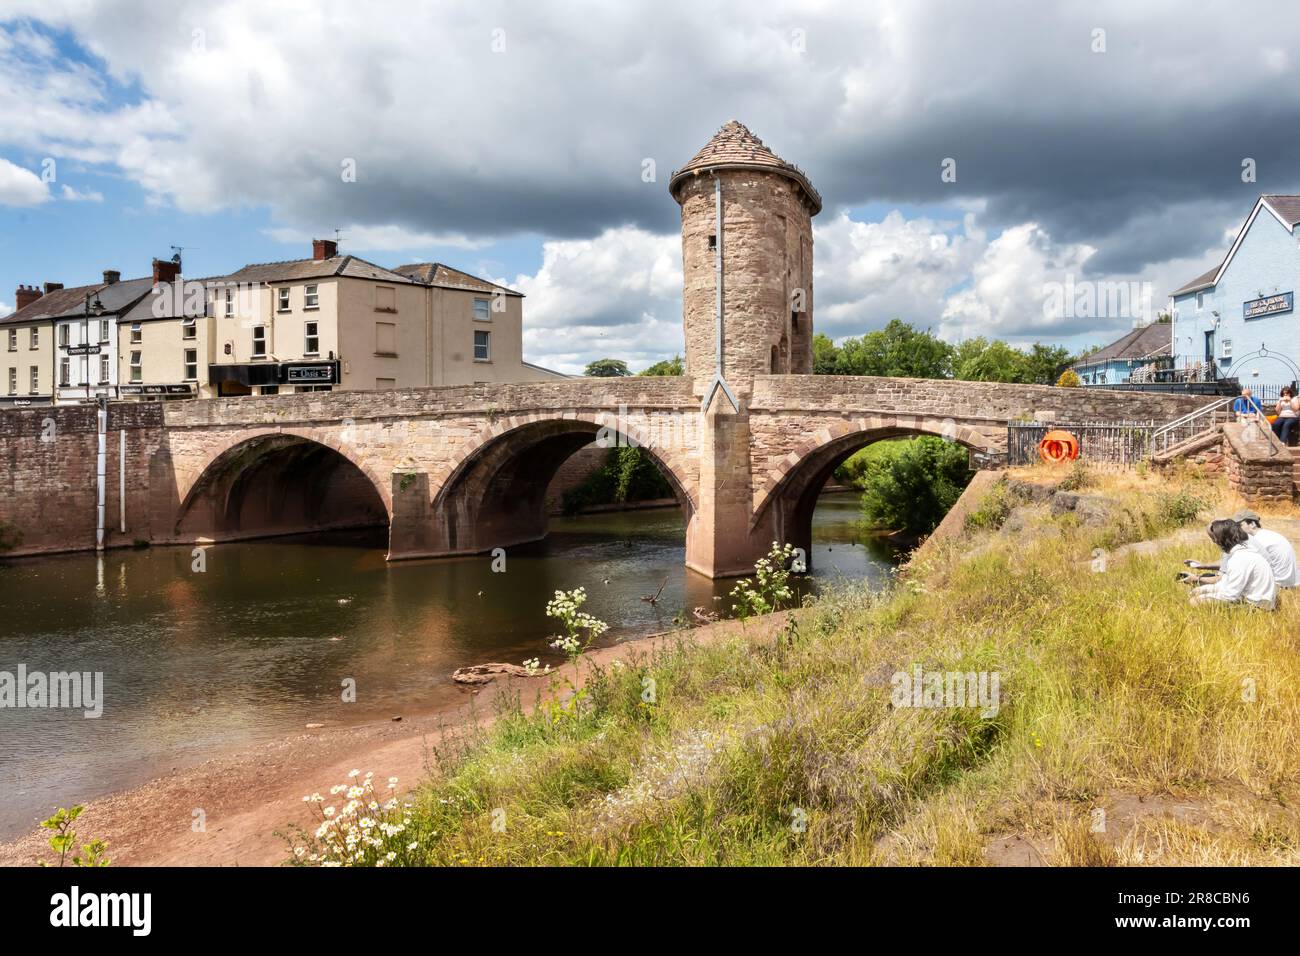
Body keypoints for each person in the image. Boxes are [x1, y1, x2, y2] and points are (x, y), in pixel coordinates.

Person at [1189, 519, 1277, 610]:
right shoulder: (1242, 553)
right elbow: (1225, 584)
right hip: (1258, 602)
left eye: (1215, 539)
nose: (1215, 543)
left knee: (1195, 602)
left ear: (1222, 540)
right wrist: (1203, 589)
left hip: (1257, 606)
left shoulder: (1239, 559)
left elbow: (1230, 595)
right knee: (1199, 596)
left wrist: (1204, 596)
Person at [1233, 508, 1298, 589]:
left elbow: (1243, 566)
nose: (1237, 530)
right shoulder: (1268, 534)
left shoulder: (1257, 540)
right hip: (1289, 582)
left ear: (1252, 524)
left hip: (1279, 585)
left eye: (1239, 525)